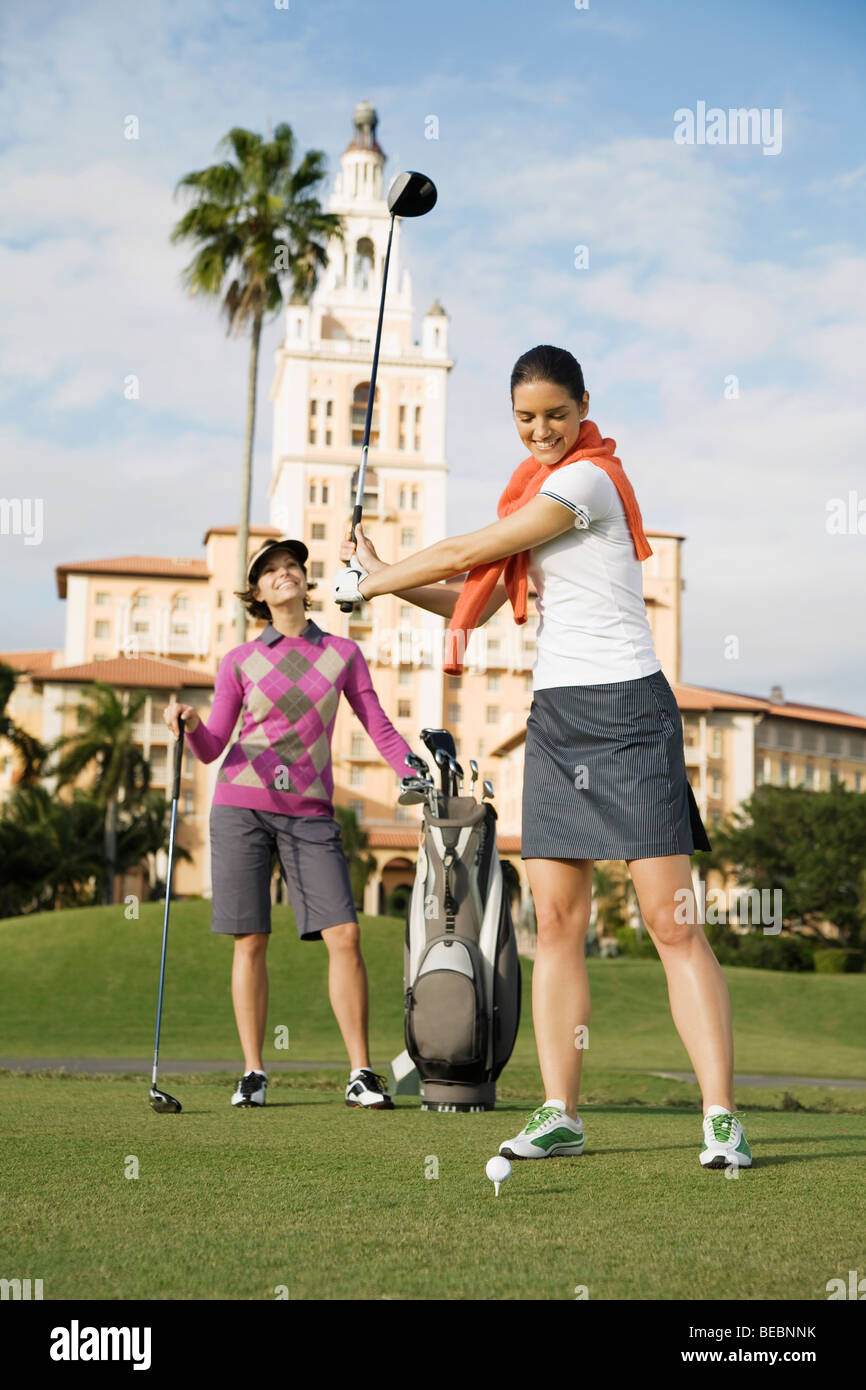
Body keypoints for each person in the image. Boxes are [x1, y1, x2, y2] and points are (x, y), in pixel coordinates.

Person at [334, 344, 752, 1170]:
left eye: (556, 414)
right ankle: (560, 1111)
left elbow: (466, 549)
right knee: (556, 923)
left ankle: (721, 1119)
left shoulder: (586, 481)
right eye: (526, 418)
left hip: (630, 712)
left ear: (584, 405)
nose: (542, 431)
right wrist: (383, 574)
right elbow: (470, 598)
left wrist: (372, 588)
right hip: (558, 718)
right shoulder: (539, 491)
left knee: (673, 925)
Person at [163, 537, 415, 1111]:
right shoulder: (238, 661)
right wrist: (191, 722)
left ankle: (361, 1073)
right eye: (270, 571)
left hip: (310, 813)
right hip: (241, 806)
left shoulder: (343, 655)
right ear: (256, 593)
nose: (284, 574)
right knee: (250, 940)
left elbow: (377, 725)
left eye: (292, 566)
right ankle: (253, 1072)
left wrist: (411, 773)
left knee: (345, 935)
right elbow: (210, 748)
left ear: (306, 580)